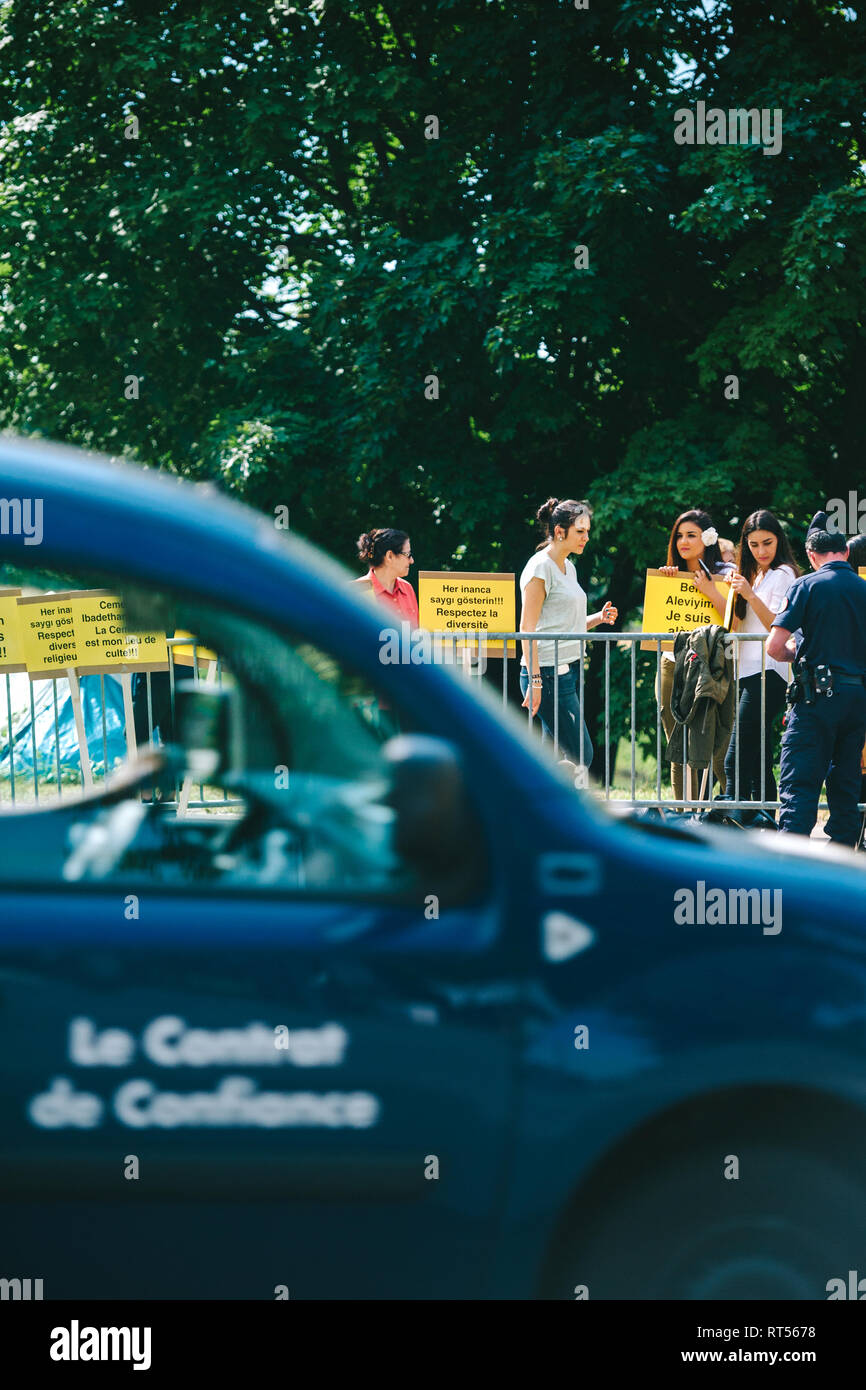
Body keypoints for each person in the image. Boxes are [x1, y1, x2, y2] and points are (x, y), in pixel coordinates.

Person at [766, 511, 866, 847]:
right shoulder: (864, 589)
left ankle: (792, 872)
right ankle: (838, 871)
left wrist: (797, 651)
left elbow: (775, 647)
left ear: (811, 555)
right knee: (846, 789)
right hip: (857, 701)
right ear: (846, 552)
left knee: (800, 786)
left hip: (815, 698)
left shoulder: (805, 585)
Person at [519, 497, 617, 780]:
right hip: (546, 674)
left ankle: (538, 810)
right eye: (581, 531)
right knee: (580, 754)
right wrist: (535, 681)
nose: (587, 537)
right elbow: (527, 627)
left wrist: (597, 618)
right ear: (560, 531)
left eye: (587, 531)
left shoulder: (568, 567)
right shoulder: (540, 568)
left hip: (567, 669)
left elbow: (562, 625)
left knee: (553, 754)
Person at [722, 510, 800, 813]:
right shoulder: (755, 574)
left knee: (735, 758)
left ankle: (734, 821)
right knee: (755, 754)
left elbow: (778, 625)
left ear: (778, 540)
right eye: (753, 545)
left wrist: (750, 594)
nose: (761, 551)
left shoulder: (784, 574)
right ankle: (764, 819)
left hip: (770, 671)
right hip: (746, 669)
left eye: (767, 543)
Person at [656, 509, 735, 802]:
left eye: (691, 535)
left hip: (711, 667)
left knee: (718, 743)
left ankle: (730, 813)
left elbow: (733, 619)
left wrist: (710, 590)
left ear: (708, 538)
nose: (683, 542)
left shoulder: (727, 573)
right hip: (672, 665)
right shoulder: (668, 573)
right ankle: (684, 815)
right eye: (679, 536)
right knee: (678, 745)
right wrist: (666, 581)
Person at [353, 528, 419, 628]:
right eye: (408, 555)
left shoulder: (407, 588)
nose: (412, 561)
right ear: (390, 556)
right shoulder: (356, 591)